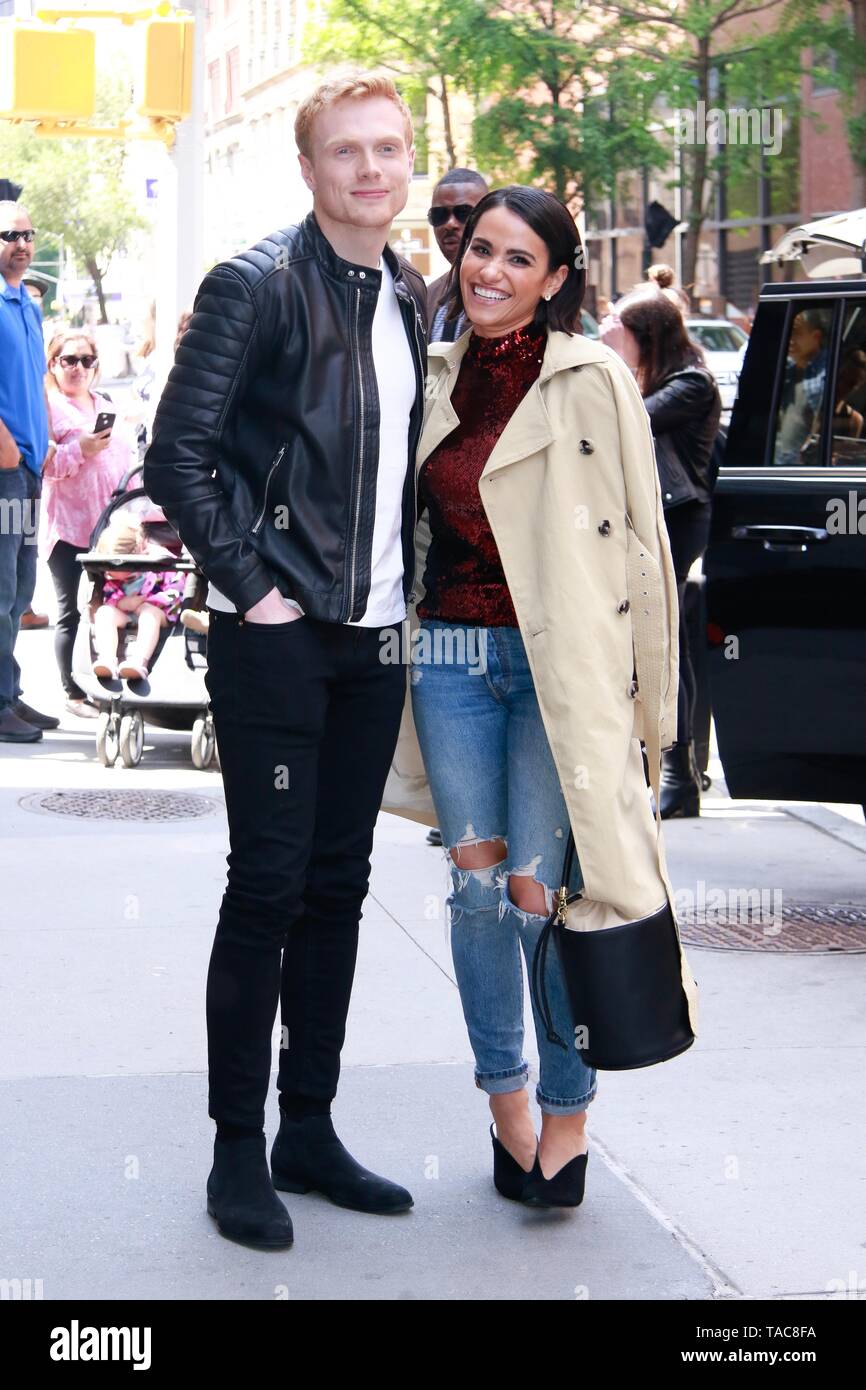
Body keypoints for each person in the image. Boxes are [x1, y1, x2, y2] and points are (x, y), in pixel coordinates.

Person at [144, 74, 429, 1251]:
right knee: (265, 889)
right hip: (279, 644)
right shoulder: (255, 285)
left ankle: (308, 1125)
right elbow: (177, 456)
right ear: (310, 171)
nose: (371, 168)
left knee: (338, 886)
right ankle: (235, 1149)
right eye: (345, 152)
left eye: (388, 149)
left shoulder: (408, 294)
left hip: (373, 642)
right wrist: (254, 593)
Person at [390, 185, 696, 1207]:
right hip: (448, 662)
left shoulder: (592, 379)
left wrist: (652, 721)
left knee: (538, 896)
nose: (490, 272)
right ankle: (503, 1101)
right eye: (481, 250)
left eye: (519, 259)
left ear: (555, 279)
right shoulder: (432, 370)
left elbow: (644, 547)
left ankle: (566, 1112)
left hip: (552, 670)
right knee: (476, 894)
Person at [601, 285, 721, 818]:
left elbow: (631, 418)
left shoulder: (690, 384)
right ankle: (677, 775)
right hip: (653, 524)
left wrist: (612, 359)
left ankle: (679, 776)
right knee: (666, 646)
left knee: (666, 645)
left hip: (680, 523)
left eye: (623, 333)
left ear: (646, 338)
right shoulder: (664, 379)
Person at [40, 330, 133, 716]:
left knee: (109, 607)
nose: (79, 368)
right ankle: (71, 692)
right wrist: (82, 448)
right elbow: (46, 466)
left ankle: (108, 679)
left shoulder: (105, 402)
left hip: (111, 527)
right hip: (68, 527)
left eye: (86, 360)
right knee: (68, 611)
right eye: (69, 360)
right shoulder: (48, 406)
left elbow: (125, 459)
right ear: (54, 364)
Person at [0, 201, 59, 742]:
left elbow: (36, 381)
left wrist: (43, 443)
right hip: (5, 470)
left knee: (20, 587)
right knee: (0, 588)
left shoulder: (26, 304)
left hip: (28, 469)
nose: (21, 244)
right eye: (9, 235)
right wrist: (9, 452)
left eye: (27, 235)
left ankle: (8, 693)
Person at [90, 515, 183, 680]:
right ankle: (107, 660)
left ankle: (139, 662)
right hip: (125, 612)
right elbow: (108, 593)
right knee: (104, 612)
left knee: (148, 613)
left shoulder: (160, 563)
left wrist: (146, 602)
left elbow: (176, 591)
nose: (112, 576)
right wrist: (120, 602)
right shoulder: (110, 571)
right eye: (110, 573)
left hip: (158, 612)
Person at [426, 168, 488, 341]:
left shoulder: (512, 289)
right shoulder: (427, 296)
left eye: (463, 213)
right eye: (439, 215)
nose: (450, 224)